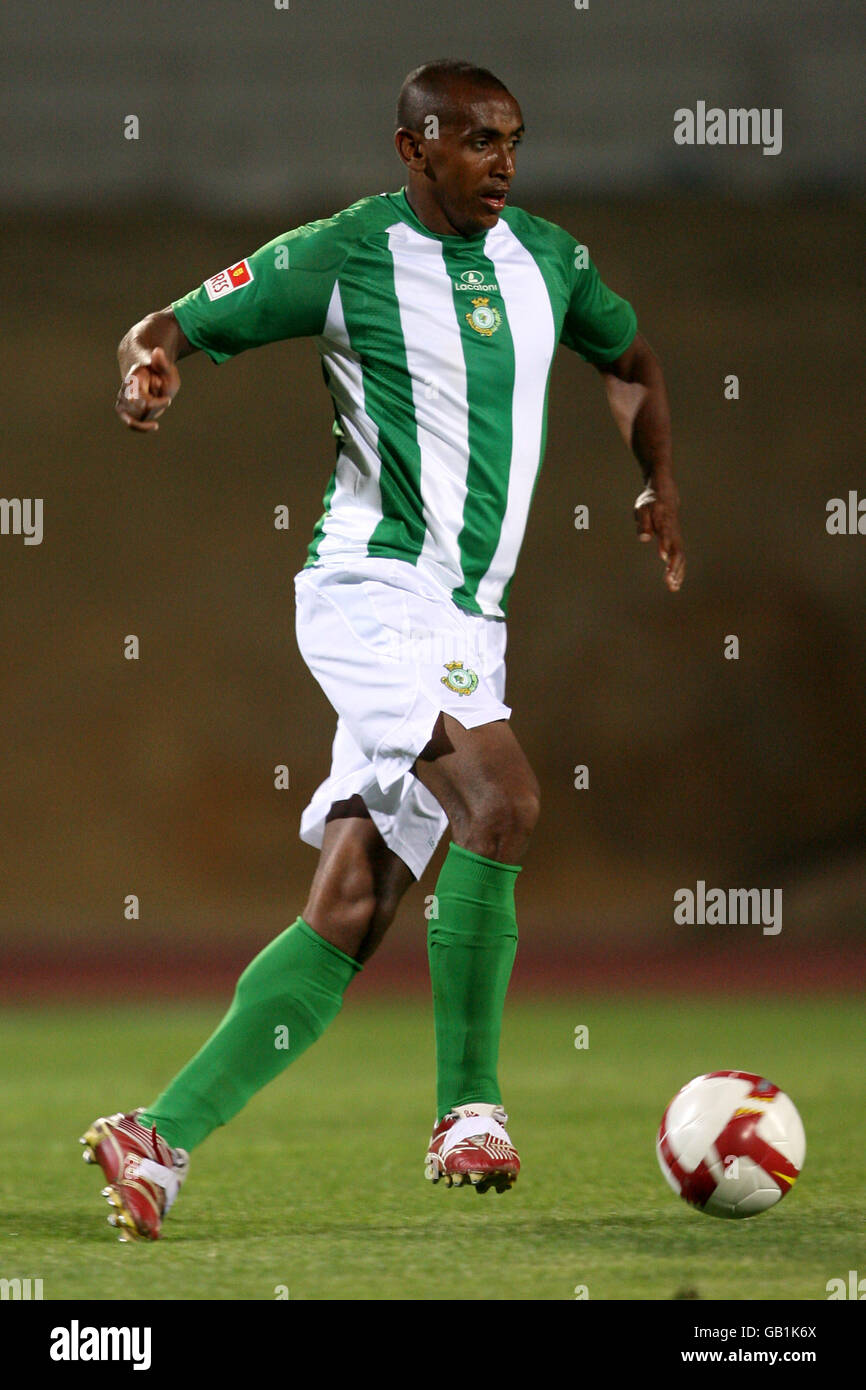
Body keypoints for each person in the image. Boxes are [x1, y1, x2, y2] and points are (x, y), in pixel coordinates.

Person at [81, 58, 685, 1241]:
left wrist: (656, 479)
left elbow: (630, 361)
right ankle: (468, 1107)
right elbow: (167, 325)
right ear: (411, 149)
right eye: (473, 141)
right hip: (370, 589)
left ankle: (159, 1137)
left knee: (356, 904)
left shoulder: (547, 261)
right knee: (501, 801)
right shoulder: (346, 251)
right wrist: (148, 368)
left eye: (511, 139)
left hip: (467, 620)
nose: (501, 161)